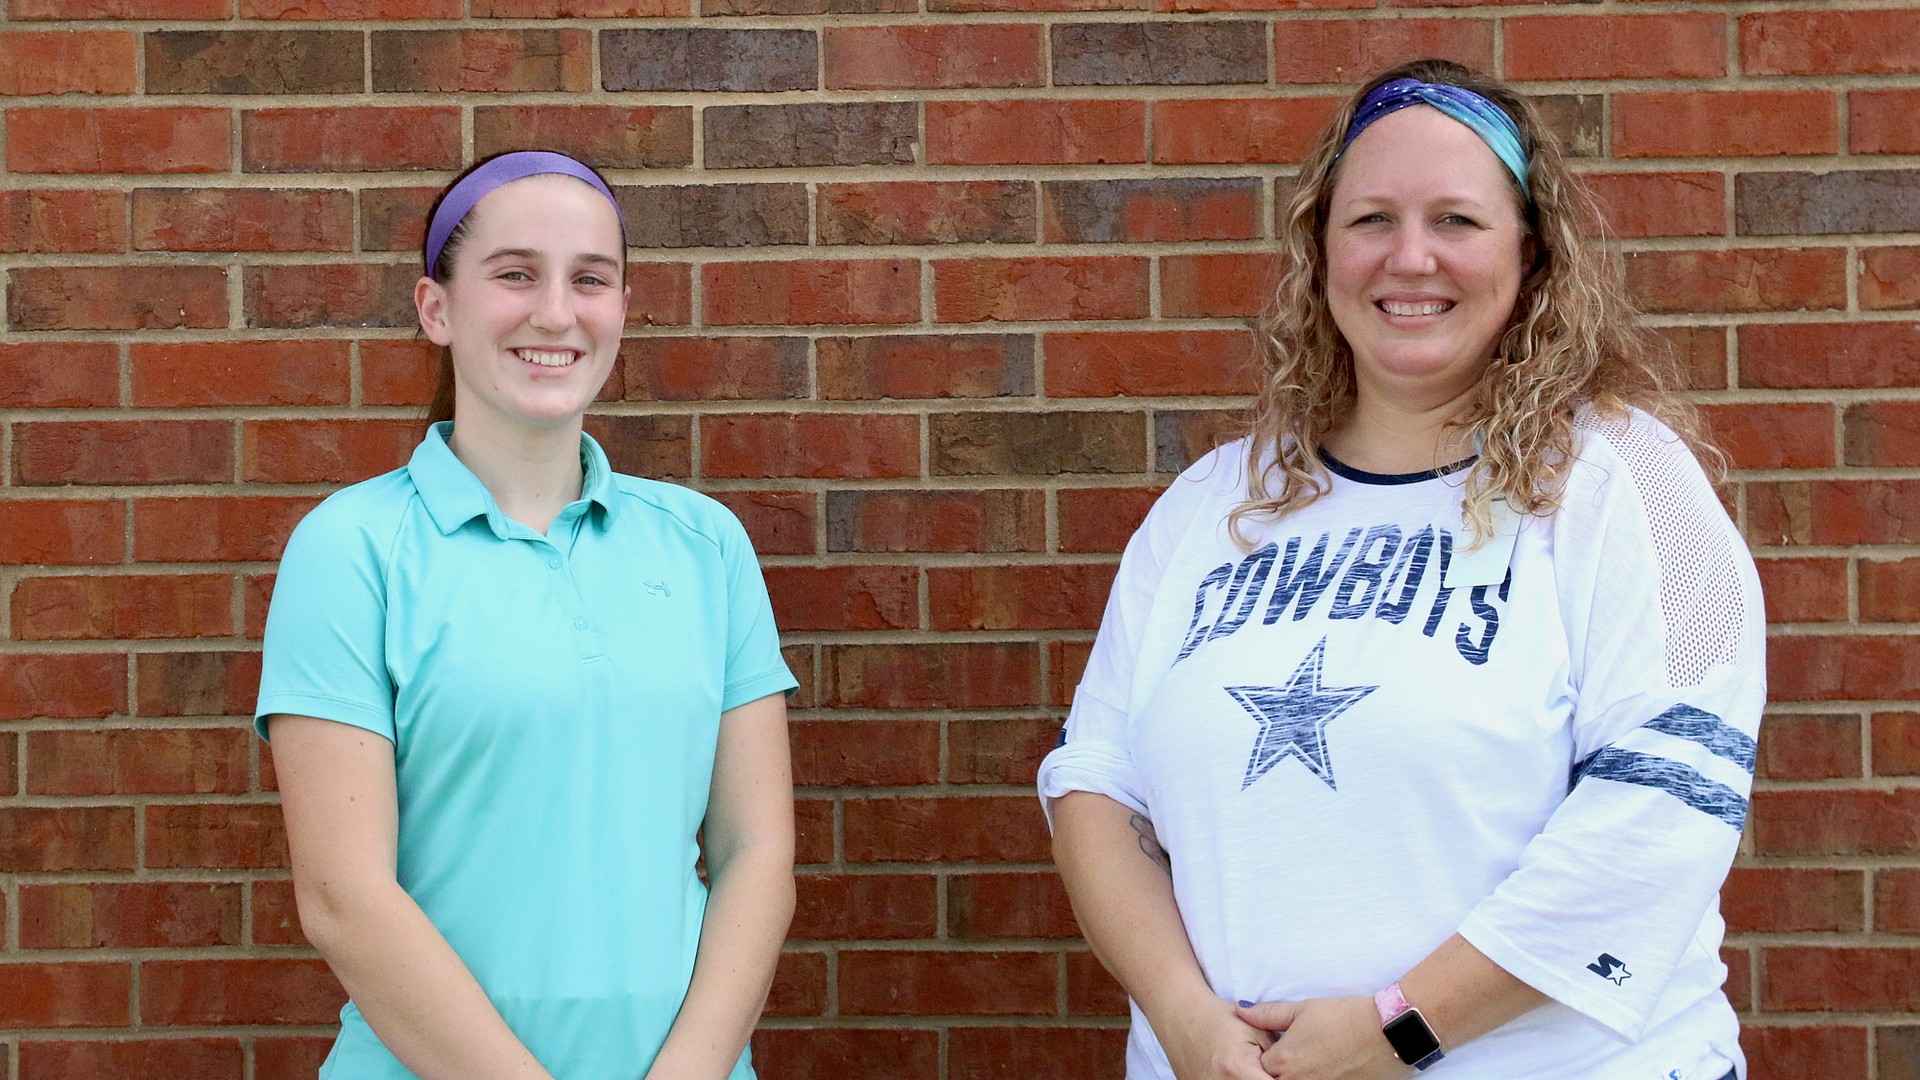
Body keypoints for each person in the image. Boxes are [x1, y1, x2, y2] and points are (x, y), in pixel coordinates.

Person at [1039, 60, 1763, 1080]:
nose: (1409, 257)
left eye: (1457, 222)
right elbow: (1094, 784)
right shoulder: (1213, 504)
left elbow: (1668, 803)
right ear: (1320, 248)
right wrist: (1184, 1022)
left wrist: (1403, 1028)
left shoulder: (1628, 484)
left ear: (1532, 252)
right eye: (1372, 218)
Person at [255, 150, 798, 1080]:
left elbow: (756, 851)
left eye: (591, 279)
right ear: (437, 309)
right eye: (514, 275)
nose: (557, 312)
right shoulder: (351, 550)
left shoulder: (705, 545)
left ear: (622, 307)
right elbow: (344, 896)